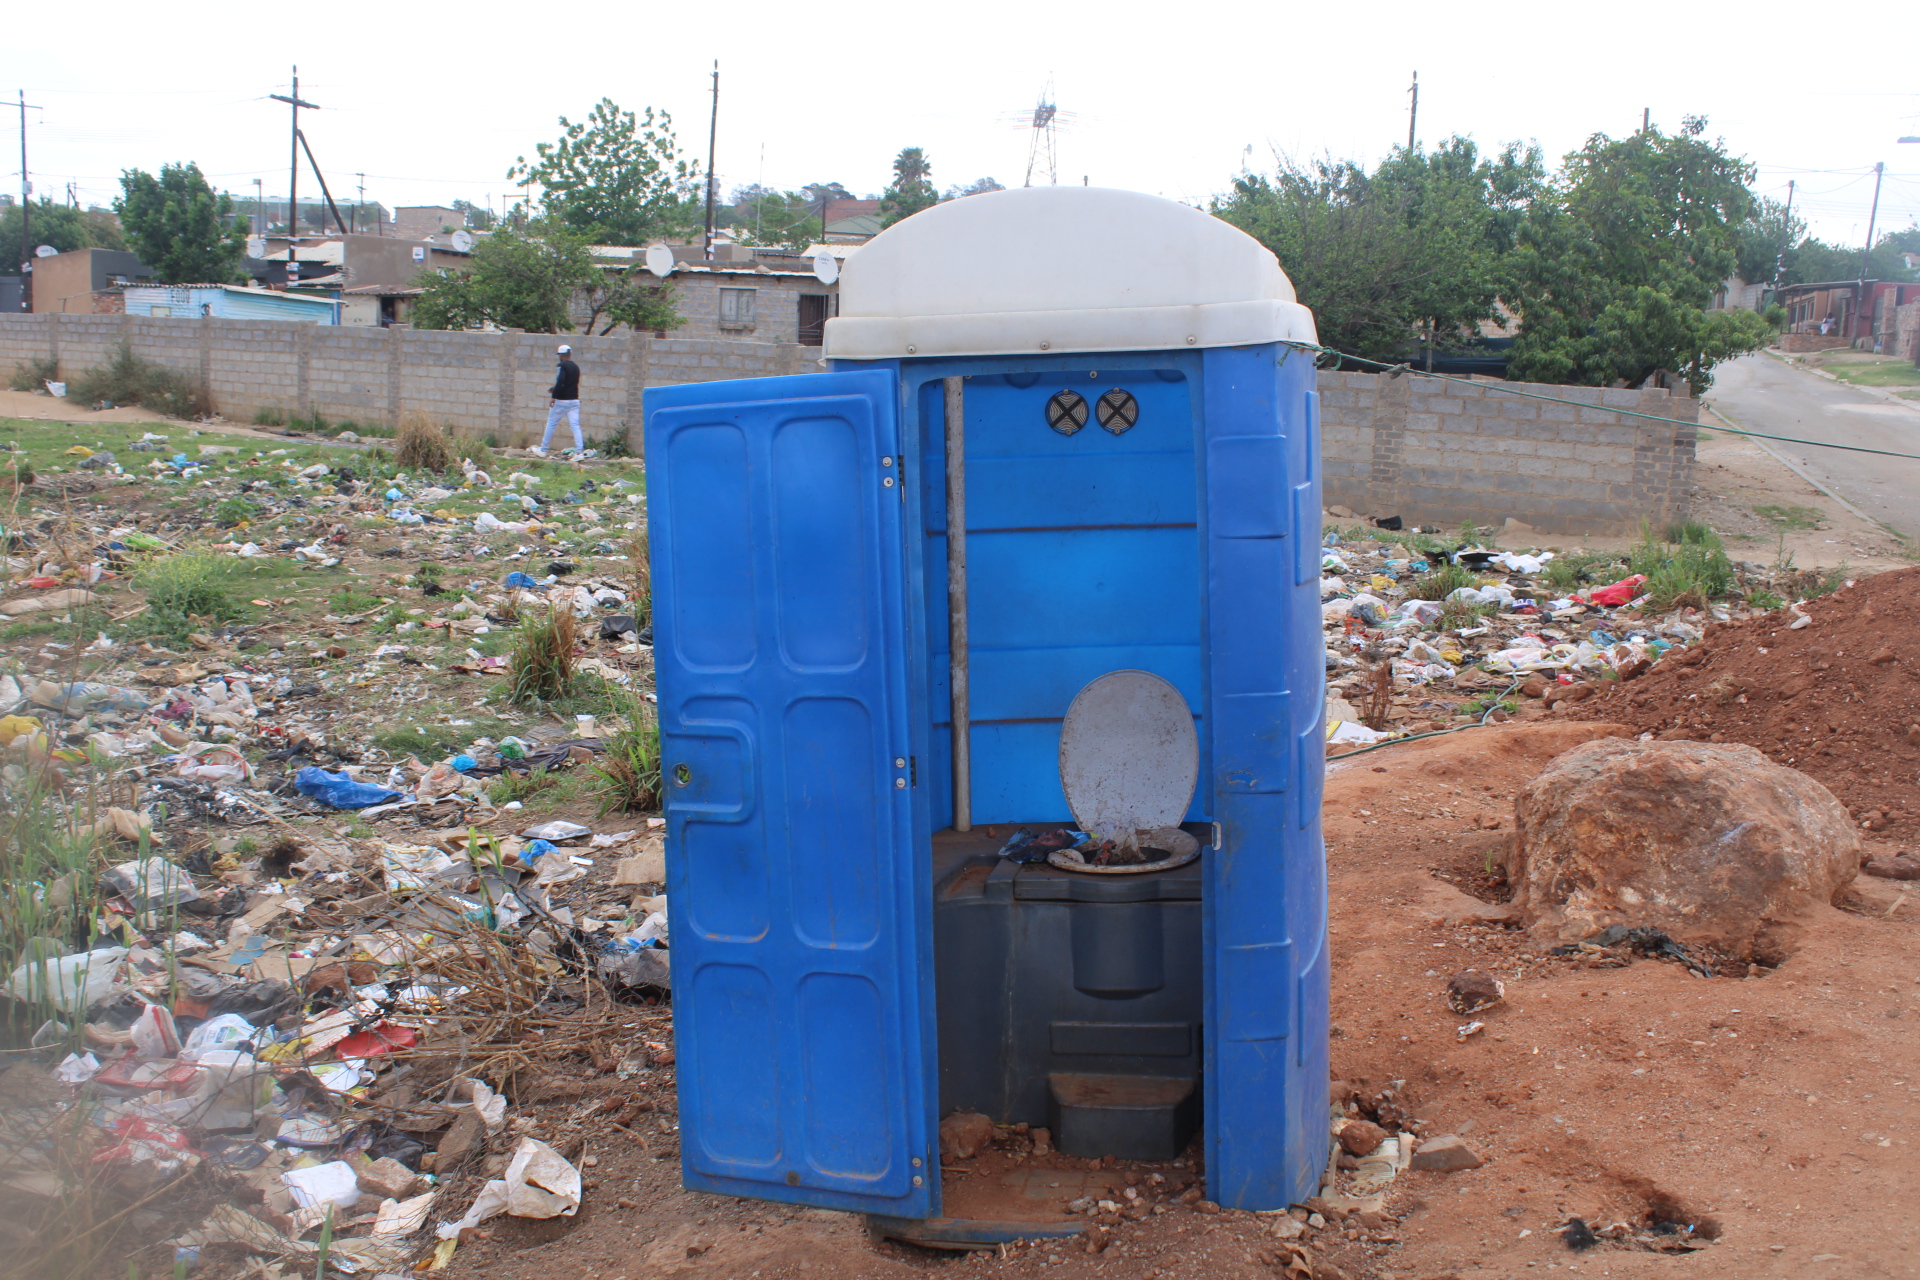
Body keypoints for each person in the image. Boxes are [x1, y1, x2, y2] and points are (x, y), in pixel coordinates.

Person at [535, 344, 583, 457]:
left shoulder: (561, 365)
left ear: (561, 355)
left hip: (562, 401)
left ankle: (544, 449)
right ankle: (580, 451)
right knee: (575, 426)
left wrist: (554, 396)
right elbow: (569, 383)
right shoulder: (576, 367)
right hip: (574, 400)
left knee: (551, 423)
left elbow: (561, 380)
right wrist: (555, 388)